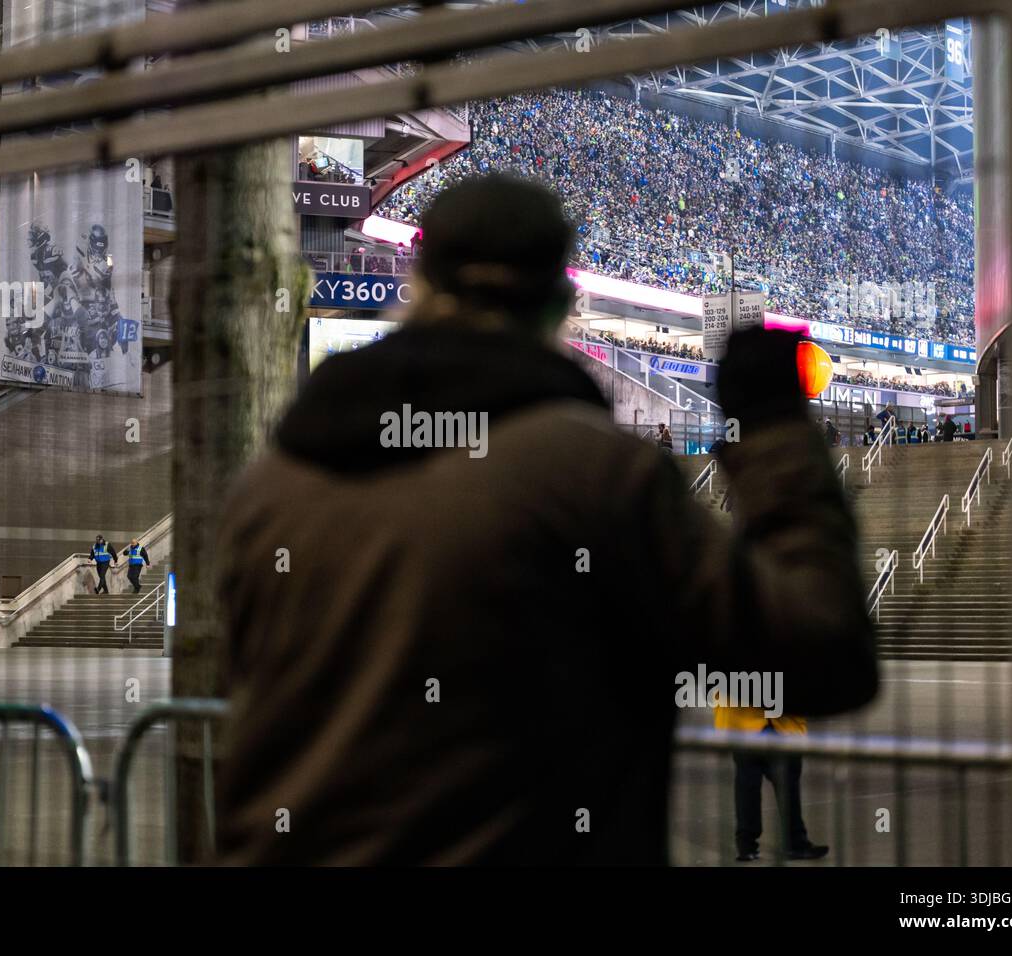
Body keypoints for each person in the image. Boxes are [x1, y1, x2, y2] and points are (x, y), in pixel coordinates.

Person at [210, 174, 876, 865]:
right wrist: (772, 434)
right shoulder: (590, 473)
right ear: (563, 302)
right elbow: (821, 657)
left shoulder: (271, 487)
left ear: (419, 284)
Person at [715, 704, 825, 861]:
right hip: (757, 723)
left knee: (751, 783)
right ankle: (792, 843)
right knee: (764, 782)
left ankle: (749, 845)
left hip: (755, 723)